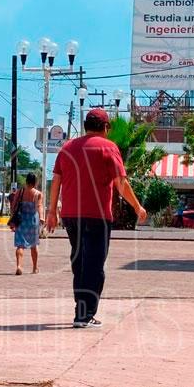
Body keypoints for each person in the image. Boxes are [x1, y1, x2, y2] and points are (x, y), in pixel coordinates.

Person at [47, 108, 147, 329]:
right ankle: (84, 315)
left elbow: (56, 181)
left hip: (71, 216)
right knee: (94, 266)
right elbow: (121, 183)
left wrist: (51, 212)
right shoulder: (108, 147)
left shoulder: (67, 148)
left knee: (80, 263)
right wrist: (137, 206)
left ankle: (80, 310)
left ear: (85, 126)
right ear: (105, 127)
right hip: (97, 216)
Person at [11, 172, 42, 276]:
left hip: (21, 221)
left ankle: (19, 266)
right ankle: (35, 267)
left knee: (20, 245)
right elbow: (39, 207)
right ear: (35, 182)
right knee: (34, 245)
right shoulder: (37, 194)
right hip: (33, 221)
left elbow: (14, 206)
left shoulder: (20, 192)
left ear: (26, 180)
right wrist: (42, 218)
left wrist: (12, 220)